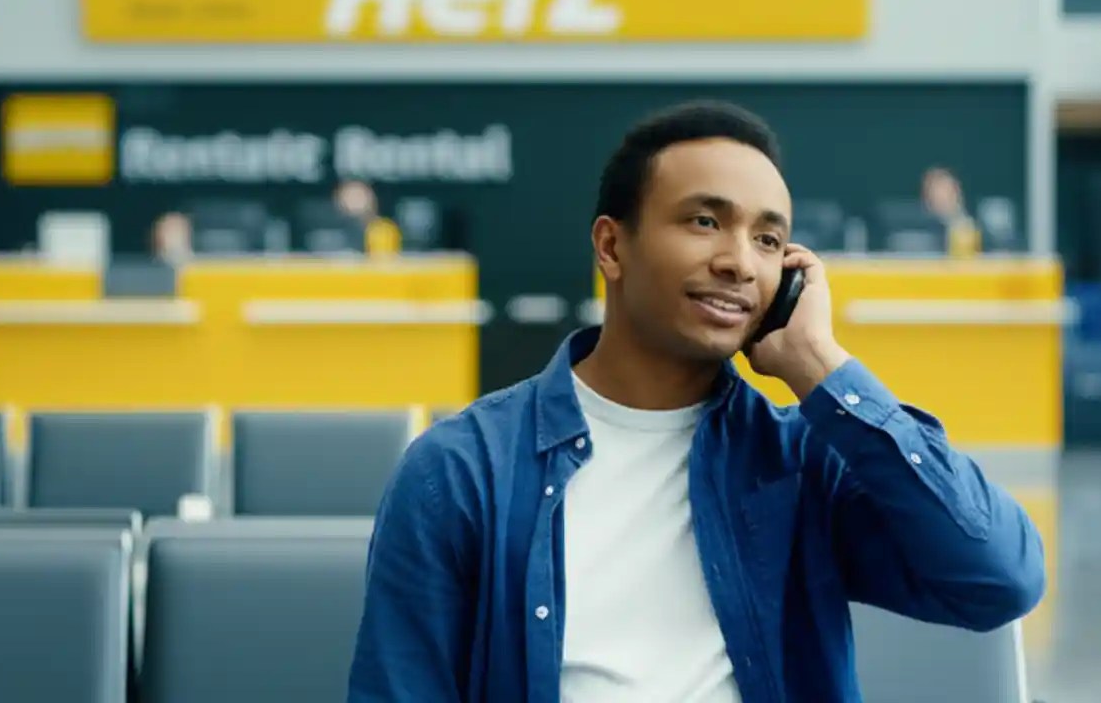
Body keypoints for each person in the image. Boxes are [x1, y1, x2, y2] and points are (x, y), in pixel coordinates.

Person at [348, 101, 1044, 702]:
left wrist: (820, 368)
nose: (740, 261)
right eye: (706, 222)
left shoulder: (801, 465)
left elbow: (998, 577)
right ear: (611, 246)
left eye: (769, 239)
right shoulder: (462, 472)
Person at [922, 166, 981, 258]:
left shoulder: (971, 225)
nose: (942, 197)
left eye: (946, 191)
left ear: (957, 192)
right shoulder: (923, 227)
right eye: (936, 193)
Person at [333, 179, 402, 257]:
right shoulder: (336, 232)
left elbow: (384, 265)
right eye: (349, 196)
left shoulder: (384, 229)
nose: (355, 201)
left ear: (371, 198)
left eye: (359, 195)